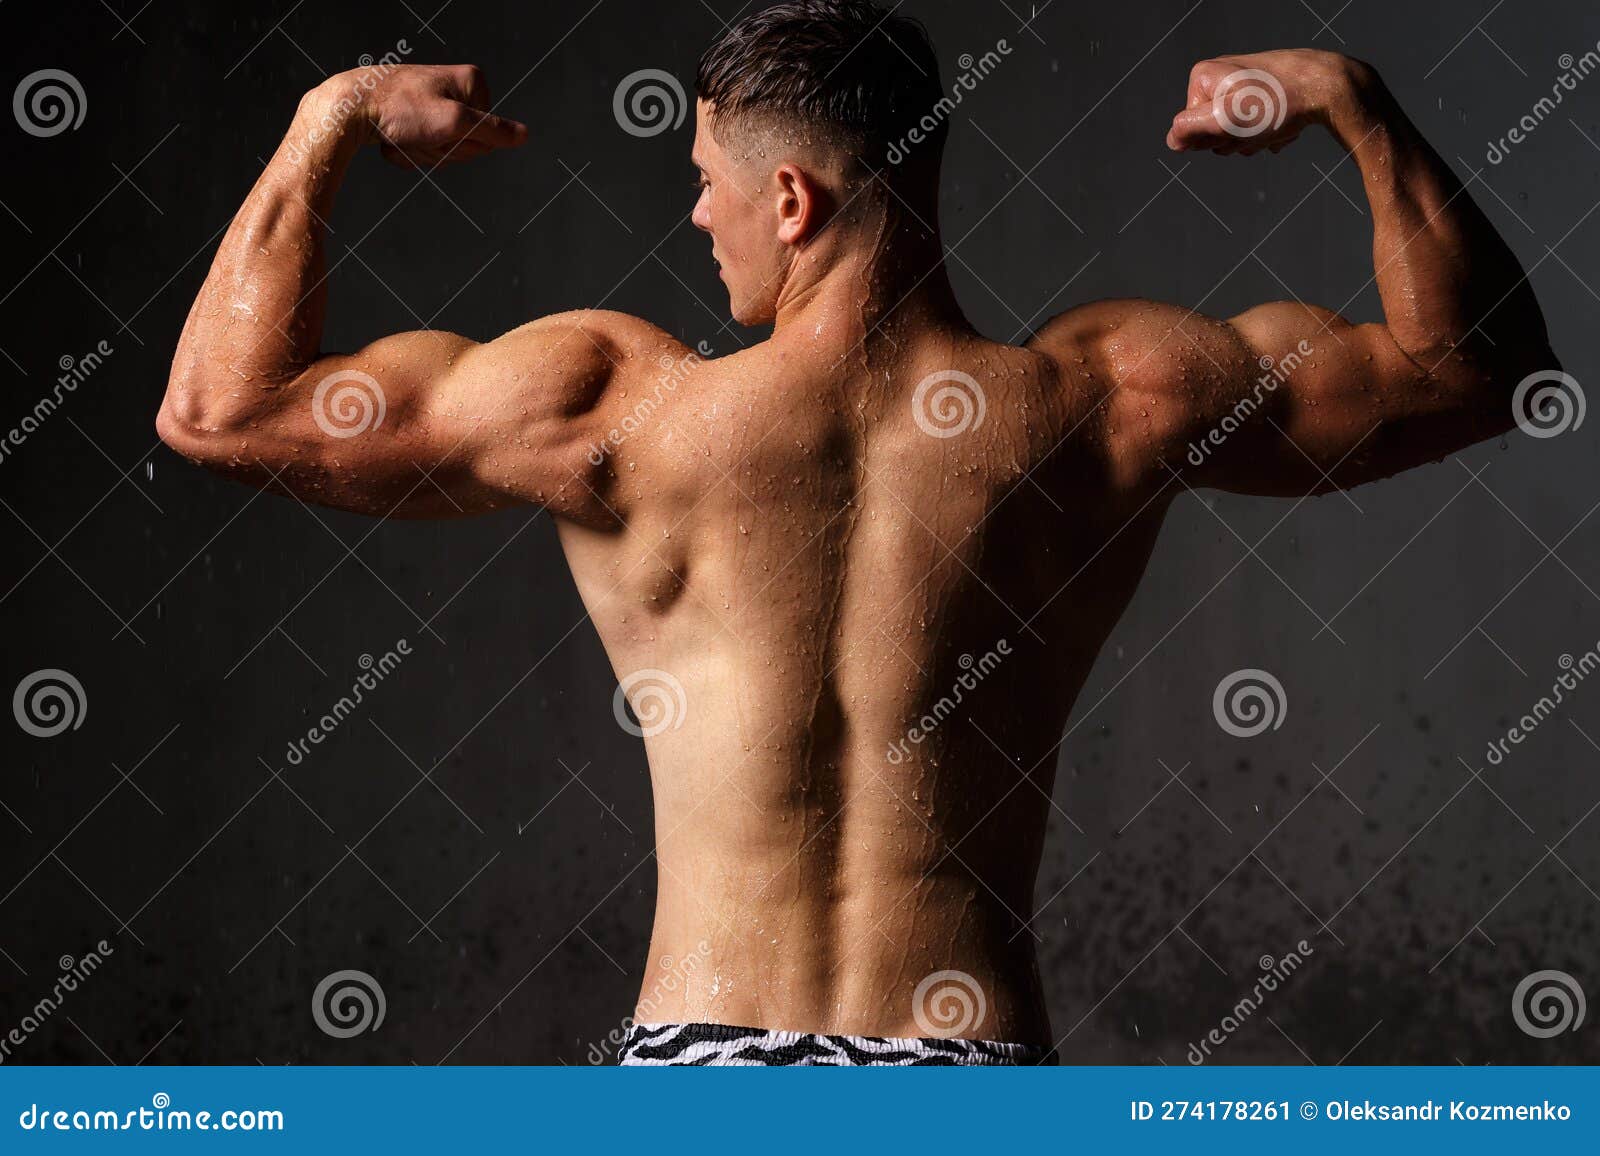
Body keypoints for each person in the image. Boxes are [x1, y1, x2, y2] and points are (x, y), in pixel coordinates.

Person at [157, 1, 1558, 1065]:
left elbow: (221, 413)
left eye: (708, 174)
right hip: (966, 1063)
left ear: (792, 200)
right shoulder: (1106, 403)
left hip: (697, 1071)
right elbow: (1473, 373)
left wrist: (327, 119)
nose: (697, 208)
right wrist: (1356, 109)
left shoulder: (616, 410)